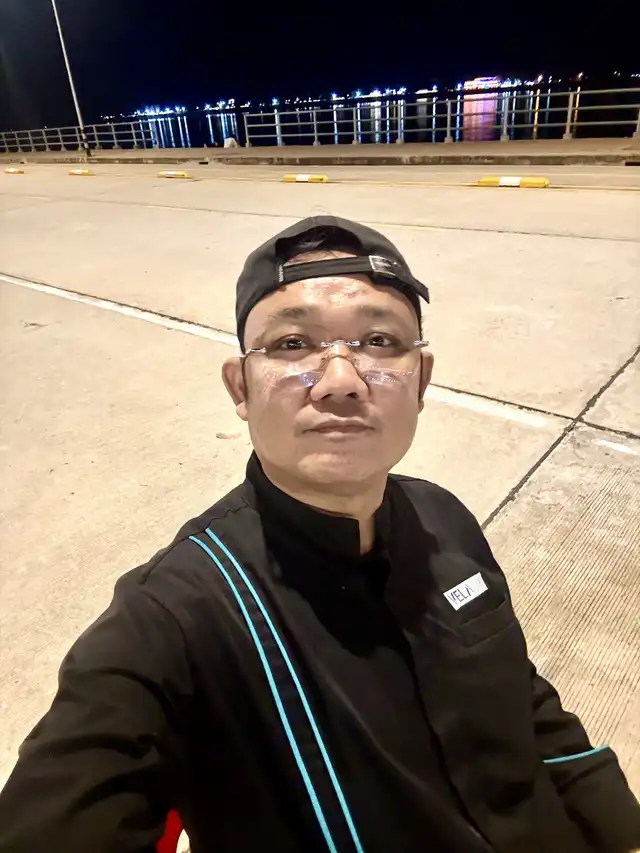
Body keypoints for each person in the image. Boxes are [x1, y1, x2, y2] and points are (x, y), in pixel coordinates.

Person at [0, 215, 638, 853]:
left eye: (379, 341)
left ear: (421, 380)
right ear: (240, 387)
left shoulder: (444, 519)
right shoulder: (173, 621)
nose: (340, 381)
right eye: (292, 345)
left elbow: (521, 701)